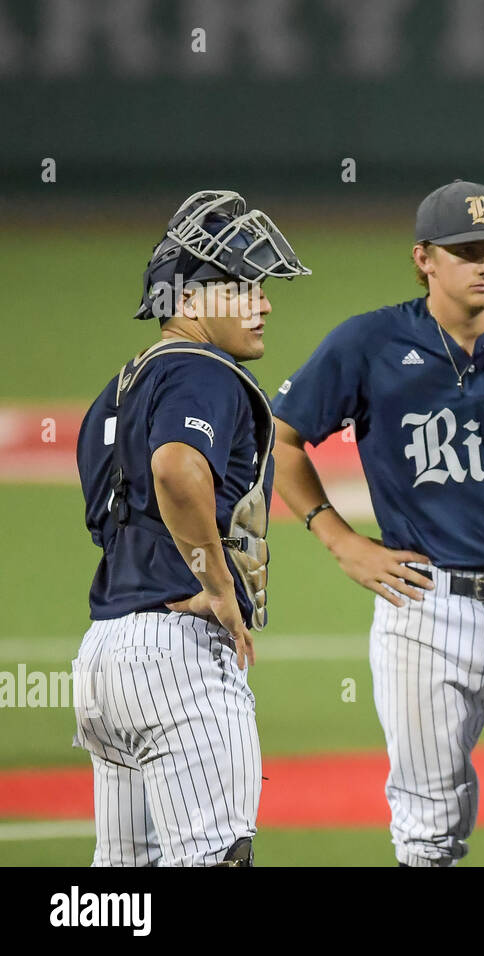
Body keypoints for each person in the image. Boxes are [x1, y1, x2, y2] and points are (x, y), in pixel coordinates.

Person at [271, 180, 484, 867]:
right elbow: (283, 439)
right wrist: (339, 540)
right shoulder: (370, 343)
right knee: (429, 835)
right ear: (423, 258)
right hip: (425, 612)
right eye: (466, 251)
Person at [73, 189, 310, 866]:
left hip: (105, 657)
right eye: (243, 286)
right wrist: (217, 585)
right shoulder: (202, 371)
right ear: (188, 300)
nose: (263, 303)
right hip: (178, 658)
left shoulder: (113, 394)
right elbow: (178, 470)